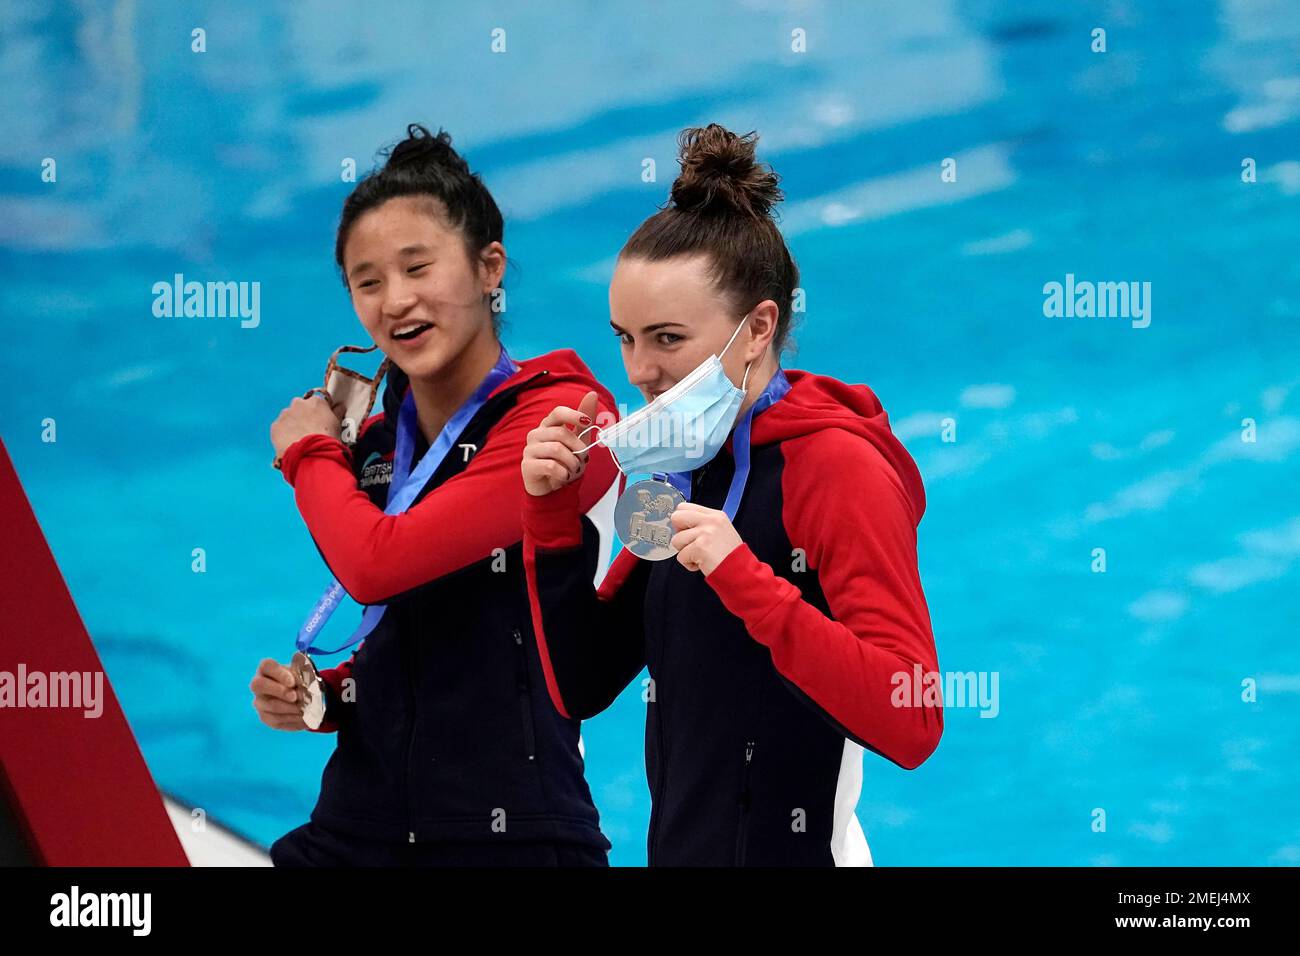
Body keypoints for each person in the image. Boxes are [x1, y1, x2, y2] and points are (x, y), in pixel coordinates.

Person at [520, 124, 943, 866]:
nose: (639, 371)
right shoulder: (679, 462)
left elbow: (914, 720)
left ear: (757, 329)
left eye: (668, 338)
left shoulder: (836, 469)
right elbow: (580, 682)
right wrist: (553, 517)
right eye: (625, 338)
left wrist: (746, 579)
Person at [252, 124, 621, 866]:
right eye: (368, 281)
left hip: (512, 836)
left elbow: (374, 565)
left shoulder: (564, 418)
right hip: (357, 830)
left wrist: (308, 451)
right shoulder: (383, 444)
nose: (396, 301)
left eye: (418, 267)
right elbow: (427, 622)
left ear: (491, 267)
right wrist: (330, 695)